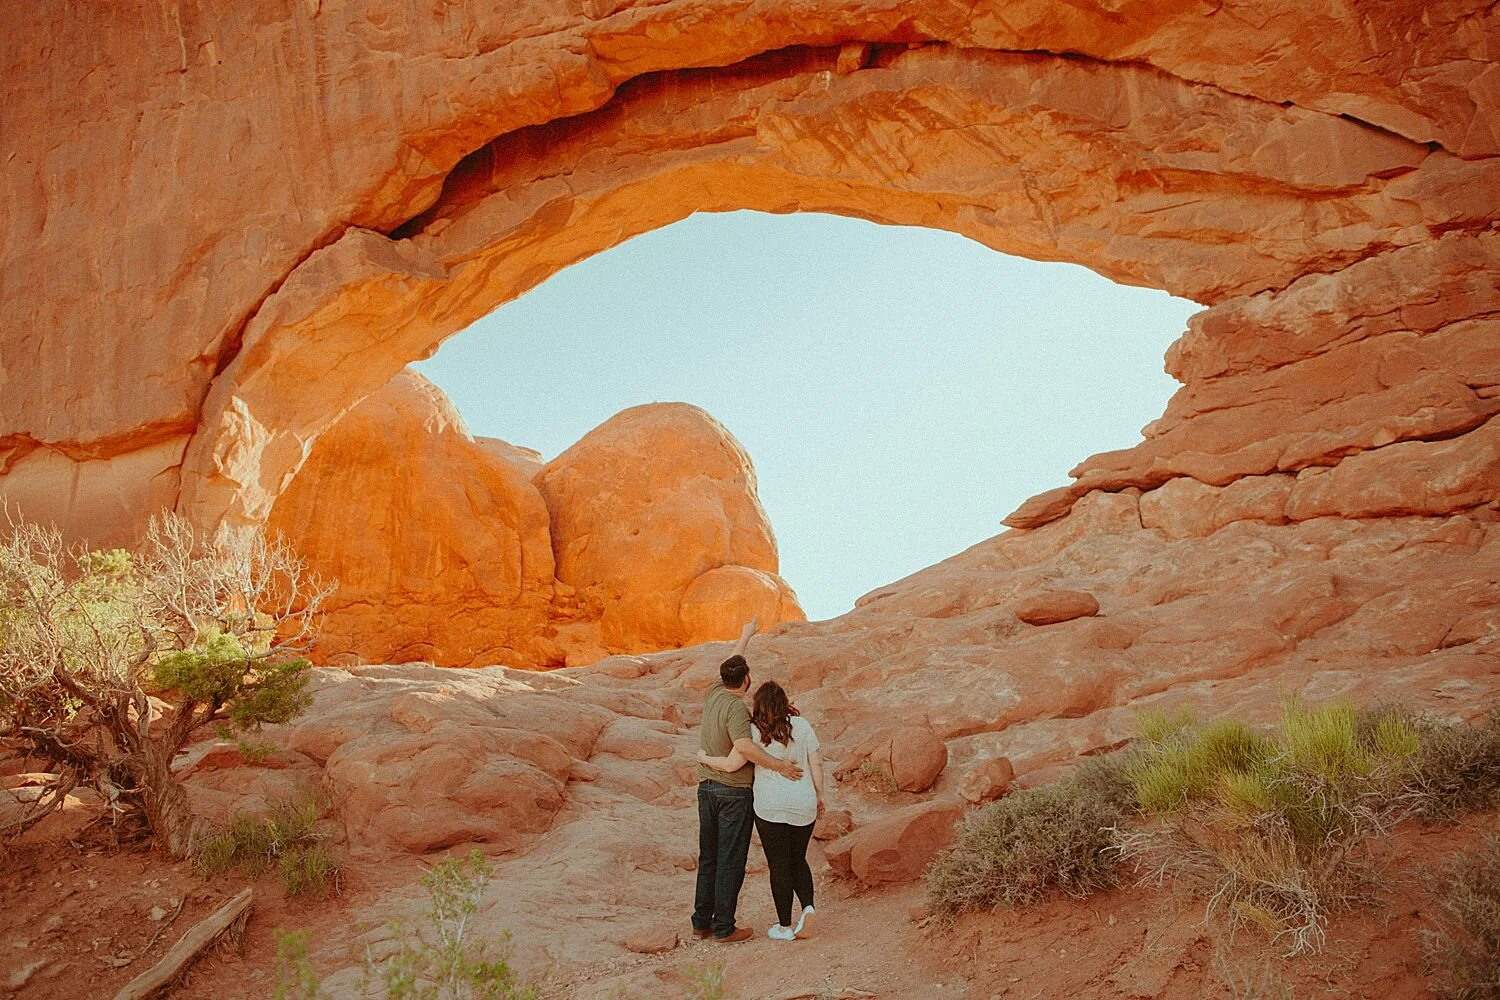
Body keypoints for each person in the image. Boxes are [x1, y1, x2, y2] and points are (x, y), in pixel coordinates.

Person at [692, 618, 803, 943]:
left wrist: (745, 636)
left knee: (709, 857)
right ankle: (724, 927)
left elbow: (732, 661)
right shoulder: (737, 709)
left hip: (706, 789)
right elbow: (744, 747)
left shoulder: (715, 692)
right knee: (730, 859)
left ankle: (701, 922)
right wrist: (780, 766)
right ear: (746, 679)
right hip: (733, 793)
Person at [699, 679, 824, 942]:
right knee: (798, 859)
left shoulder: (754, 732)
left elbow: (731, 765)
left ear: (758, 706)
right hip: (803, 803)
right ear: (784, 702)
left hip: (770, 807)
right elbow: (817, 764)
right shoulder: (802, 725)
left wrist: (704, 758)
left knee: (779, 865)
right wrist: (819, 794)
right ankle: (808, 908)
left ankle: (784, 927)